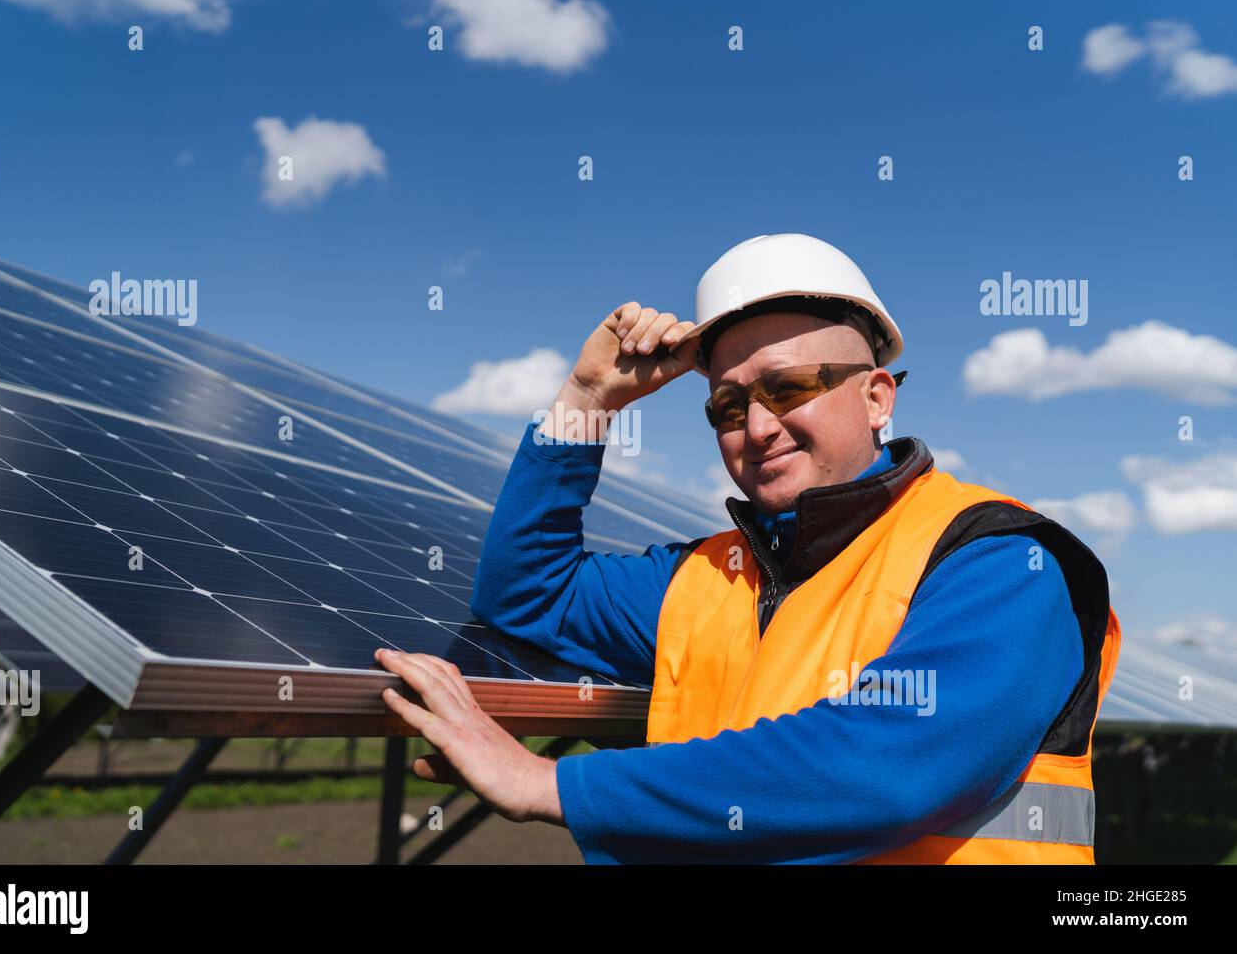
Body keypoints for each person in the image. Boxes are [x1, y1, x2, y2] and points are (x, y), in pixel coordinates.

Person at [375, 233, 1121, 864]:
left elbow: (887, 767)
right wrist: (586, 401)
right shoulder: (701, 580)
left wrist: (550, 786)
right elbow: (526, 594)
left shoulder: (998, 560)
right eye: (728, 404)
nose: (756, 427)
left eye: (791, 387)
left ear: (878, 397)